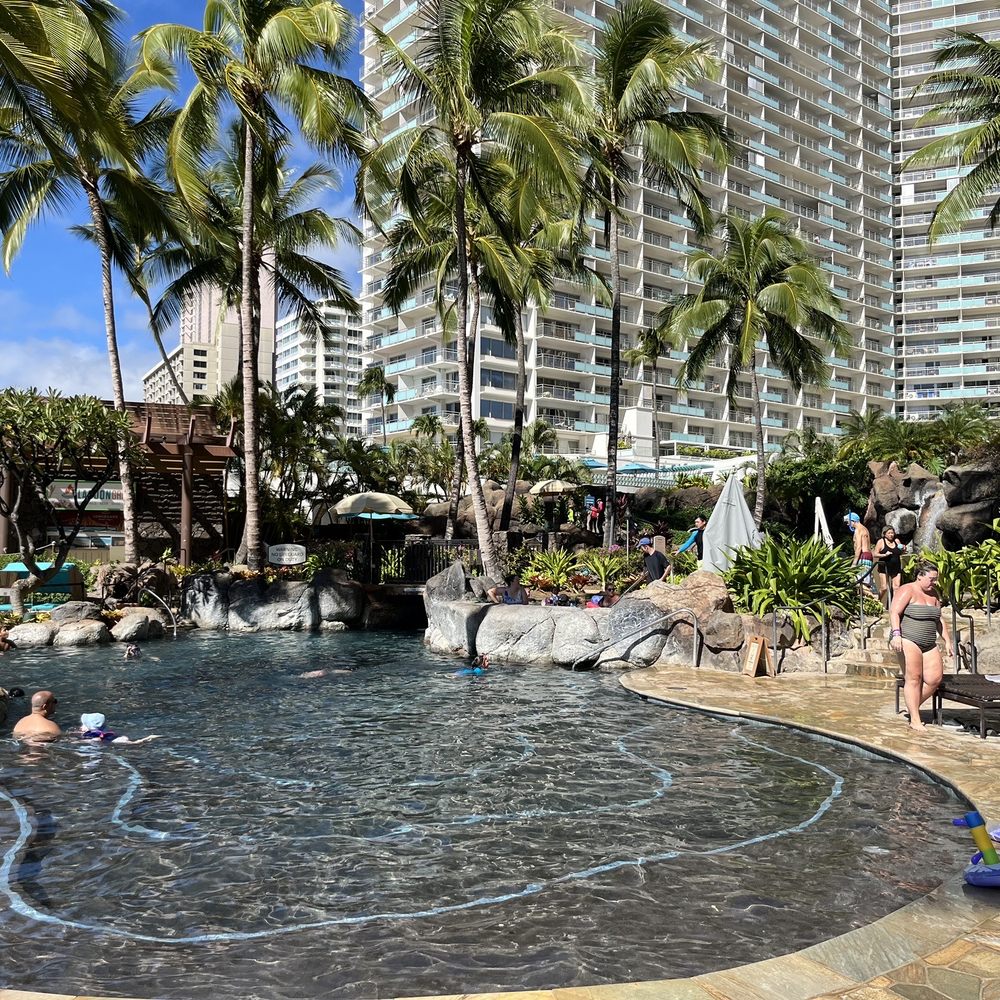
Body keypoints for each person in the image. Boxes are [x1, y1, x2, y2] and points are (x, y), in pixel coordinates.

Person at [889, 562, 951, 732]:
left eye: (936, 579)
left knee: (934, 679)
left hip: (929, 642)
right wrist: (896, 634)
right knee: (914, 678)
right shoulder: (907, 590)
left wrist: (948, 641)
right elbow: (894, 612)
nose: (934, 582)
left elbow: (939, 619)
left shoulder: (934, 594)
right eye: (931, 579)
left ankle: (912, 706)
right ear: (920, 576)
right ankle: (915, 720)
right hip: (907, 639)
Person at [79, 712, 161, 746]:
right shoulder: (102, 731)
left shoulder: (95, 738)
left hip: (117, 739)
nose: (81, 726)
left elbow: (86, 741)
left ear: (91, 727)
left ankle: (148, 738)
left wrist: (75, 742)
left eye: (84, 724)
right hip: (116, 736)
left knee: (135, 743)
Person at [845, 512, 877, 595]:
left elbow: (859, 547)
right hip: (868, 555)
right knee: (865, 582)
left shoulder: (858, 530)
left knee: (859, 581)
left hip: (863, 556)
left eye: (848, 522)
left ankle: (874, 599)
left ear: (853, 521)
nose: (848, 524)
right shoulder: (865, 529)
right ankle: (868, 600)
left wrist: (854, 563)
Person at [873, 527, 906, 603]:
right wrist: (884, 555)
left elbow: (901, 552)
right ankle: (877, 601)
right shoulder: (881, 542)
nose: (891, 535)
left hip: (896, 567)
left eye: (892, 533)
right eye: (889, 533)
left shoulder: (896, 541)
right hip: (884, 567)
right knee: (884, 587)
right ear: (884, 534)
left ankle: (894, 605)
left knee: (896, 587)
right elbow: (875, 554)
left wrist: (904, 549)